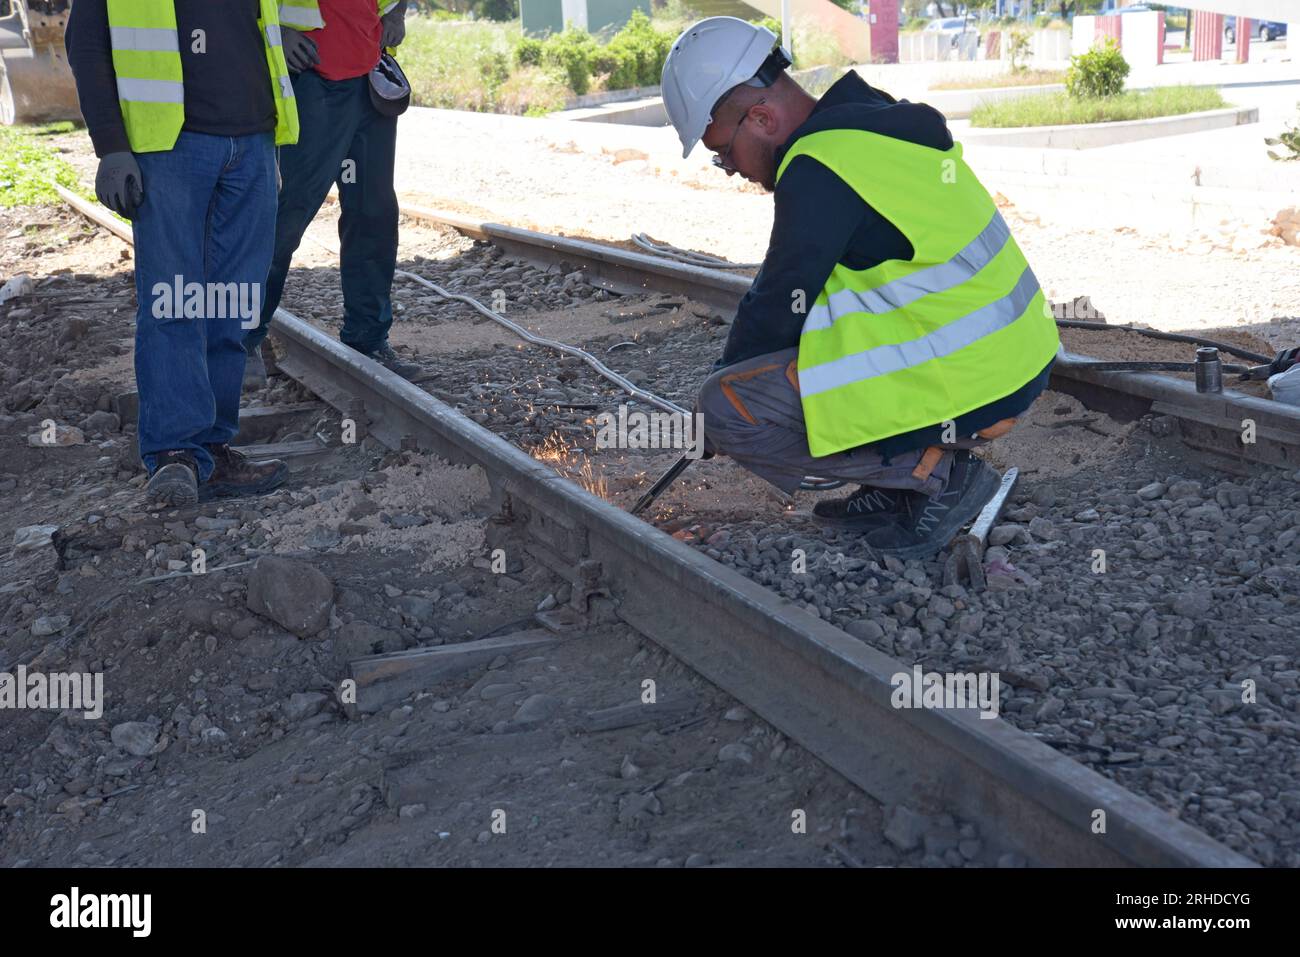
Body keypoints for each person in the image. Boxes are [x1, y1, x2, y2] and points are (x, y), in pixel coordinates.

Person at [660, 18, 1060, 560]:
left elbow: (777, 301)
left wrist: (712, 416)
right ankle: (894, 487)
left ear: (761, 116)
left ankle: (940, 476)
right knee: (812, 352)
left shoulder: (820, 165)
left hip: (978, 380)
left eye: (722, 151)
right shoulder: (867, 122)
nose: (727, 168)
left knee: (731, 406)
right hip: (1012, 359)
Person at [65, 0, 298, 506]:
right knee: (174, 301)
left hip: (253, 140)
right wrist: (111, 146)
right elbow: (86, 44)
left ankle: (212, 449)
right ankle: (175, 454)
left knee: (231, 304)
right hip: (170, 145)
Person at [242, 0, 417, 387]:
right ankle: (242, 341)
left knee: (373, 213)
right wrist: (275, 34)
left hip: (368, 80)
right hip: (311, 82)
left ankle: (368, 339)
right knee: (284, 216)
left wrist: (397, 13)